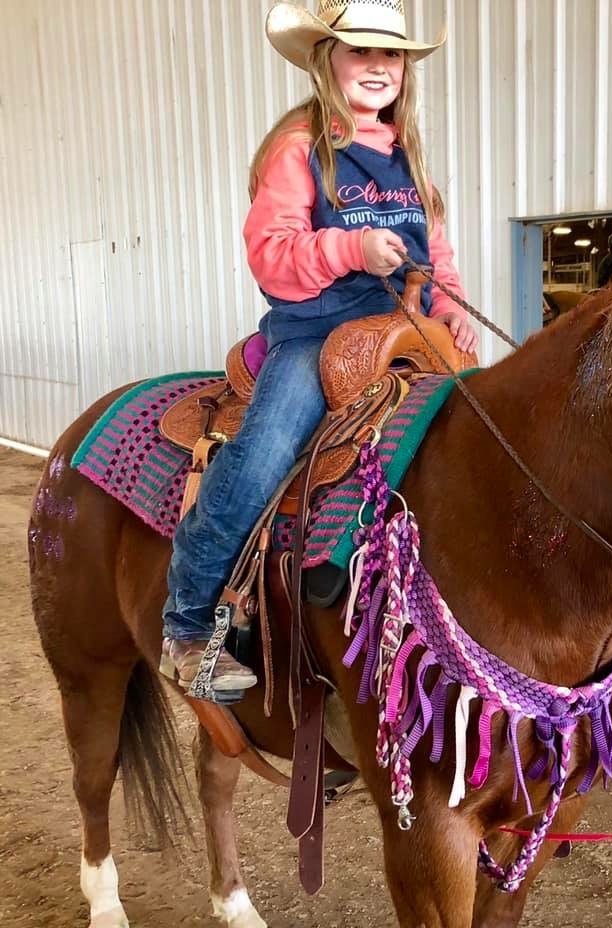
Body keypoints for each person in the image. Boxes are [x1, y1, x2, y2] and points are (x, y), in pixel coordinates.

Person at [160, 0, 476, 700]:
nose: (376, 65)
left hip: (408, 333)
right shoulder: (299, 147)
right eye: (358, 50)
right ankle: (186, 628)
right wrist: (350, 248)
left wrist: (451, 309)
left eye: (390, 54)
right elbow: (269, 253)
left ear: (405, 69)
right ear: (323, 59)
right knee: (263, 455)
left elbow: (439, 259)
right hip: (317, 335)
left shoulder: (410, 160)